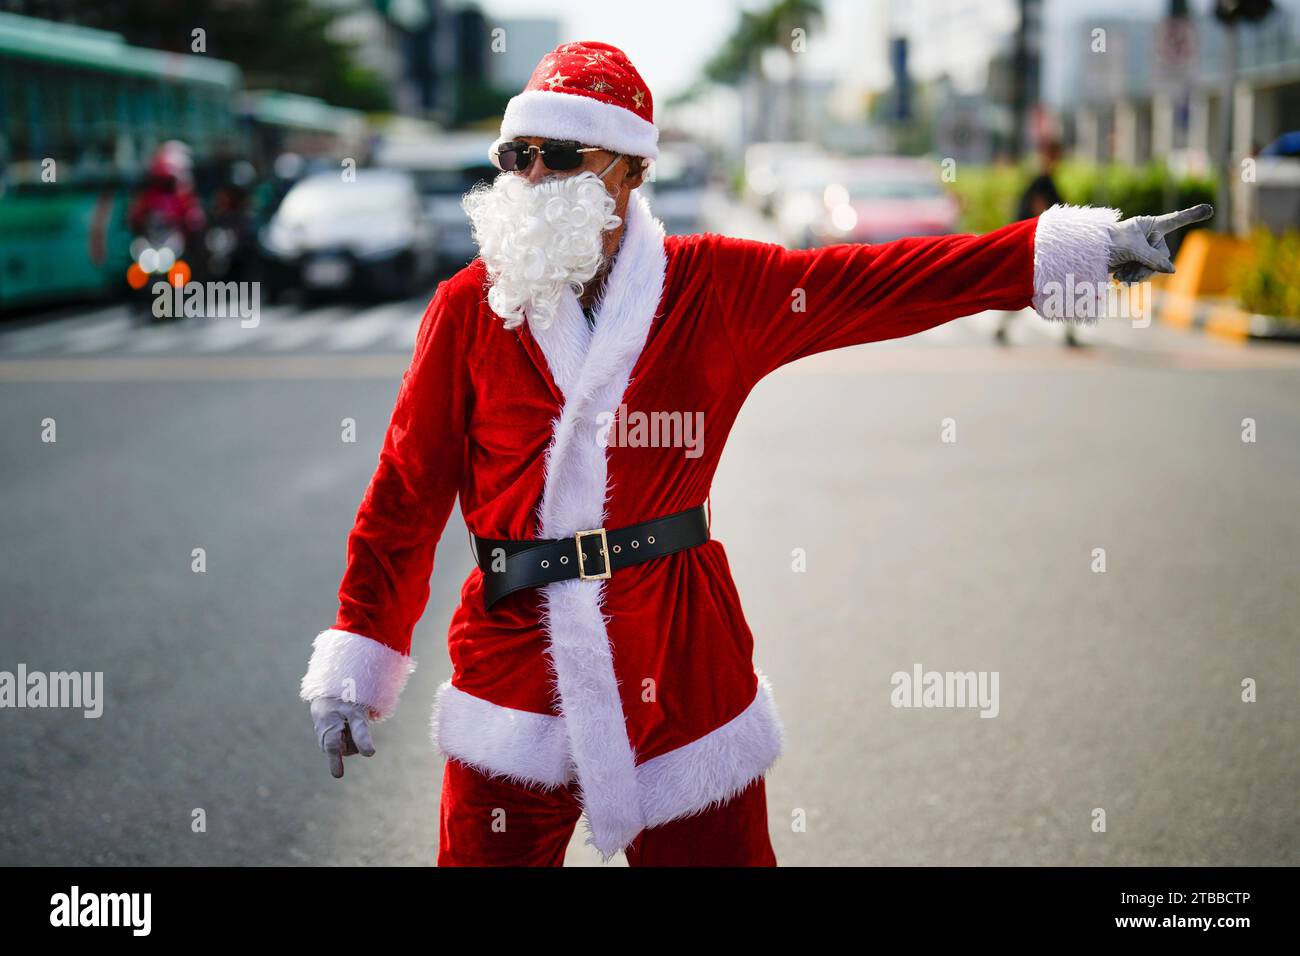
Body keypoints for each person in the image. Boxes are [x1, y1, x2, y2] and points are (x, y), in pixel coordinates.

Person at [298, 40, 1211, 867]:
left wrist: (1070, 254)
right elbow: (405, 492)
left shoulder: (717, 287)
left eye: (563, 156)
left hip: (681, 650)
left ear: (630, 171)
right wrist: (362, 656)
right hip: (511, 656)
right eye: (516, 156)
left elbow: (882, 281)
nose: (532, 176)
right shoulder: (468, 306)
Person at [995, 138, 1077, 346]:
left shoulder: (1043, 180)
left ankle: (1003, 327)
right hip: (1039, 245)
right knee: (1053, 287)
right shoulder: (1041, 182)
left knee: (1040, 289)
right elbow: (1039, 212)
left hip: (1037, 244)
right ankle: (1068, 333)